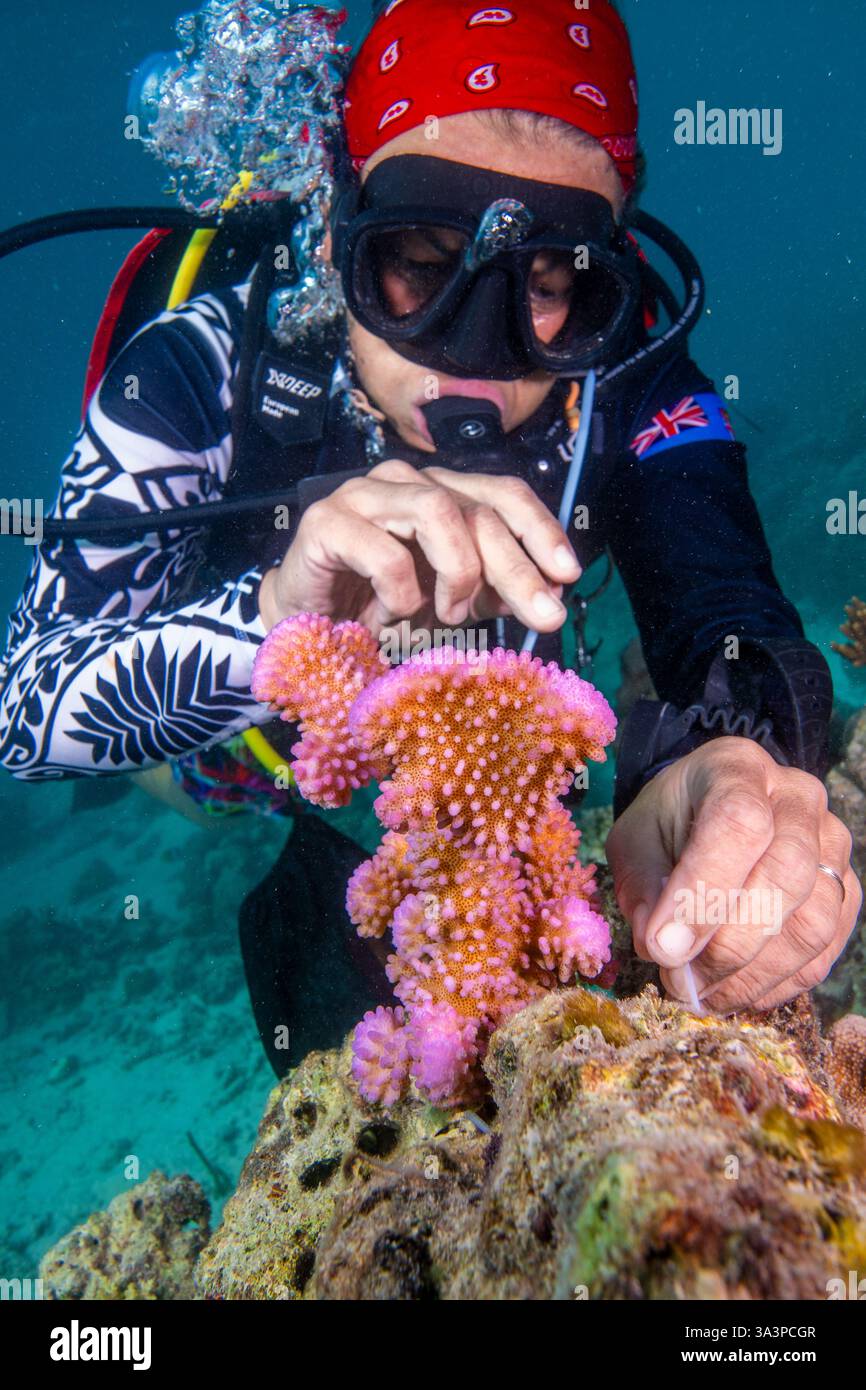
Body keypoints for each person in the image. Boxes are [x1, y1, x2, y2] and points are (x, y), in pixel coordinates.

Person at [0, 0, 858, 1072]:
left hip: (489, 755)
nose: (477, 357)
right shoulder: (197, 364)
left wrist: (731, 759)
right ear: (333, 231)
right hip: (250, 746)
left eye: (548, 283)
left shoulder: (631, 379)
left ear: (612, 271)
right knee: (215, 794)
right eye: (416, 257)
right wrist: (276, 619)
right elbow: (24, 710)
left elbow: (722, 602)